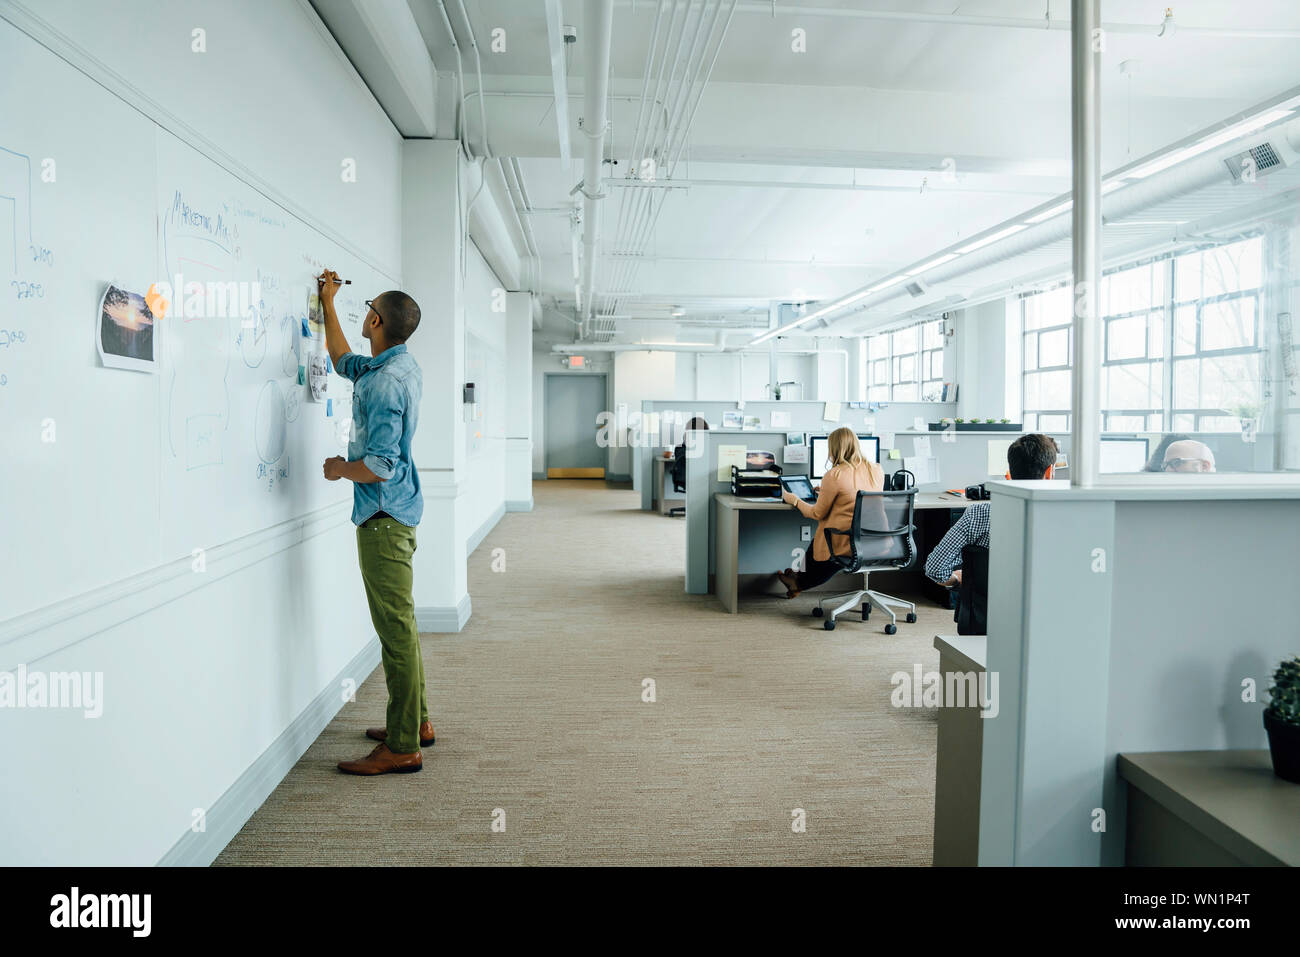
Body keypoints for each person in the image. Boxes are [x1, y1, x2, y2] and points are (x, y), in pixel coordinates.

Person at [317, 269, 433, 776]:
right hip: (398, 510)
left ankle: (404, 745)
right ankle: (417, 722)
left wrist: (340, 470)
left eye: (365, 309)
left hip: (383, 516)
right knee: (401, 627)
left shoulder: (386, 384)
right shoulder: (398, 366)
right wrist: (327, 301)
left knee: (395, 631)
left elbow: (380, 465)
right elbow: (344, 361)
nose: (361, 316)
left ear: (376, 319)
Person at [925, 433, 1058, 588]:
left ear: (1009, 474)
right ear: (1049, 473)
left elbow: (935, 568)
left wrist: (958, 578)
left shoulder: (979, 514)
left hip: (988, 608)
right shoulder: (1063, 519)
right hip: (1045, 607)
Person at [775, 427, 884, 598]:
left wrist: (794, 499)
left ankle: (797, 583)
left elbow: (816, 514)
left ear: (834, 449)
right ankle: (796, 577)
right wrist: (826, 493)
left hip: (849, 541)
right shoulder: (876, 470)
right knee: (821, 540)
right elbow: (856, 498)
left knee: (823, 538)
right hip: (876, 540)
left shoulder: (835, 474)